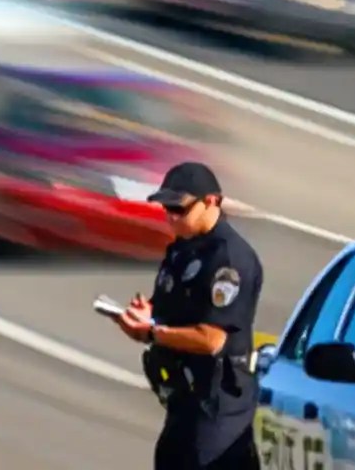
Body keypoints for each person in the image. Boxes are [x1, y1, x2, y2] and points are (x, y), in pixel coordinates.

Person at [113, 161, 264, 470]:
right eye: (166, 209)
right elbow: (171, 307)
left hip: (216, 414)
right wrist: (148, 313)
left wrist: (151, 333)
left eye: (179, 210)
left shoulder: (229, 260)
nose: (171, 218)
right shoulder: (184, 249)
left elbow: (212, 339)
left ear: (211, 202)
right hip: (184, 402)